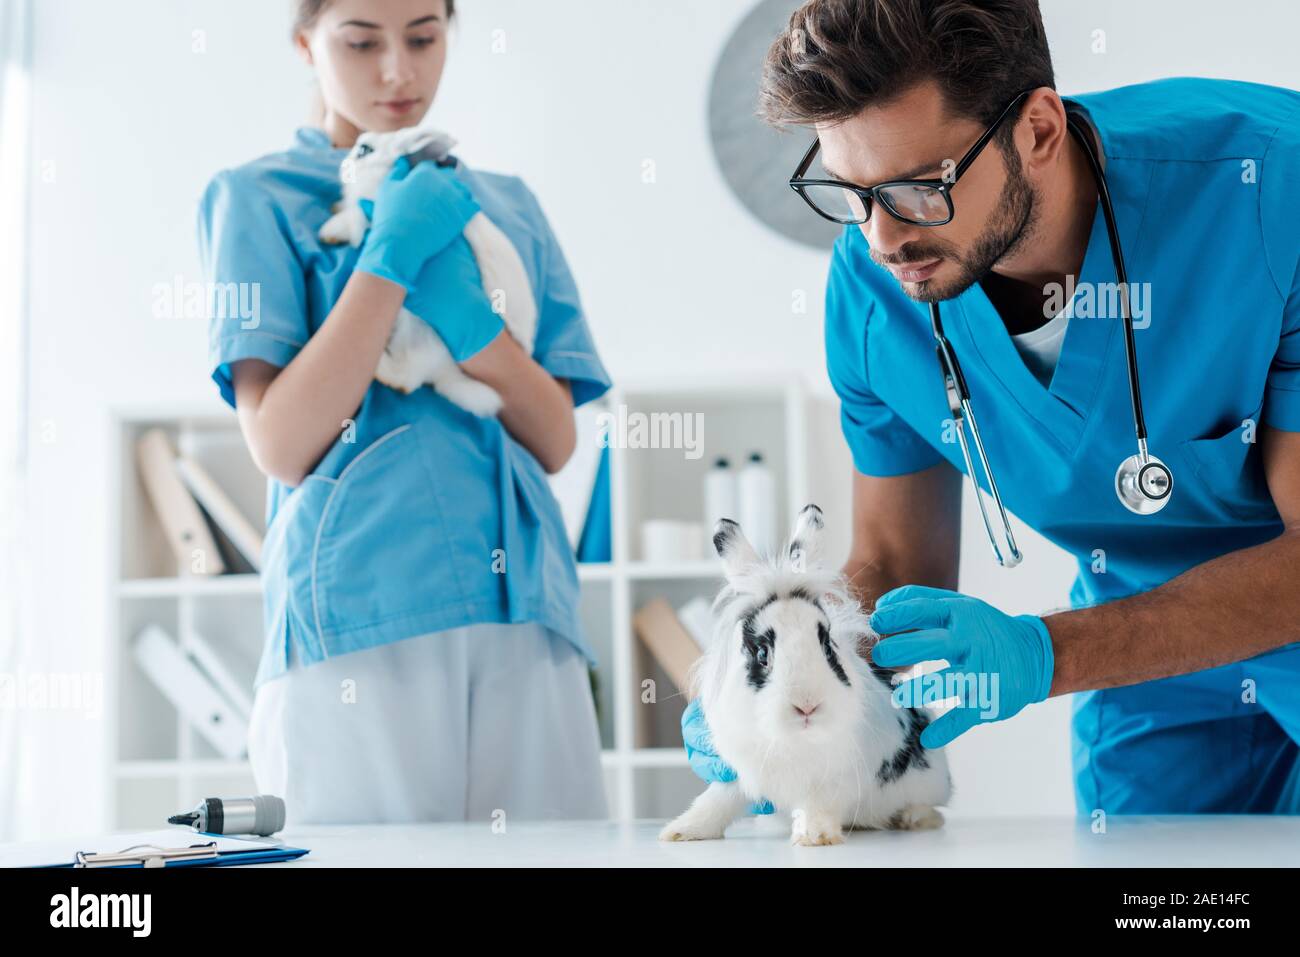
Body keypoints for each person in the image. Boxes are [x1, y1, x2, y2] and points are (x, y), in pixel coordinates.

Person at [683, 0, 1300, 815]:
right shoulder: (873, 289)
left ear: (1039, 131)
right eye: (850, 191)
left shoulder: (1267, 192)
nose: (881, 238)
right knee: (1165, 904)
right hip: (1146, 658)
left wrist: (1042, 654)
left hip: (1204, 612)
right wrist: (788, 664)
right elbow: (900, 561)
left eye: (915, 187)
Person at [198, 0, 610, 824]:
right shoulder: (257, 199)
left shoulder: (508, 205)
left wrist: (473, 330)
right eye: (361, 41)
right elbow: (280, 441)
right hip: (360, 613)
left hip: (525, 606)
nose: (398, 70)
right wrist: (385, 264)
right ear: (305, 41)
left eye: (424, 37)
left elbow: (557, 439)